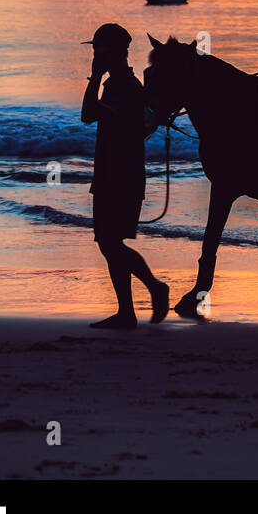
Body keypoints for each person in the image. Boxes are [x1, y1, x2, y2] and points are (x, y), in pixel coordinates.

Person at [80, 23, 167, 328]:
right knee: (109, 243)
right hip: (113, 172)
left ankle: (155, 288)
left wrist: (94, 77)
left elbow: (88, 114)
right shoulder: (119, 83)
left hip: (121, 175)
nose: (95, 54)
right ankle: (127, 312)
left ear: (114, 52)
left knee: (111, 243)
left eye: (98, 49)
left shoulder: (122, 86)